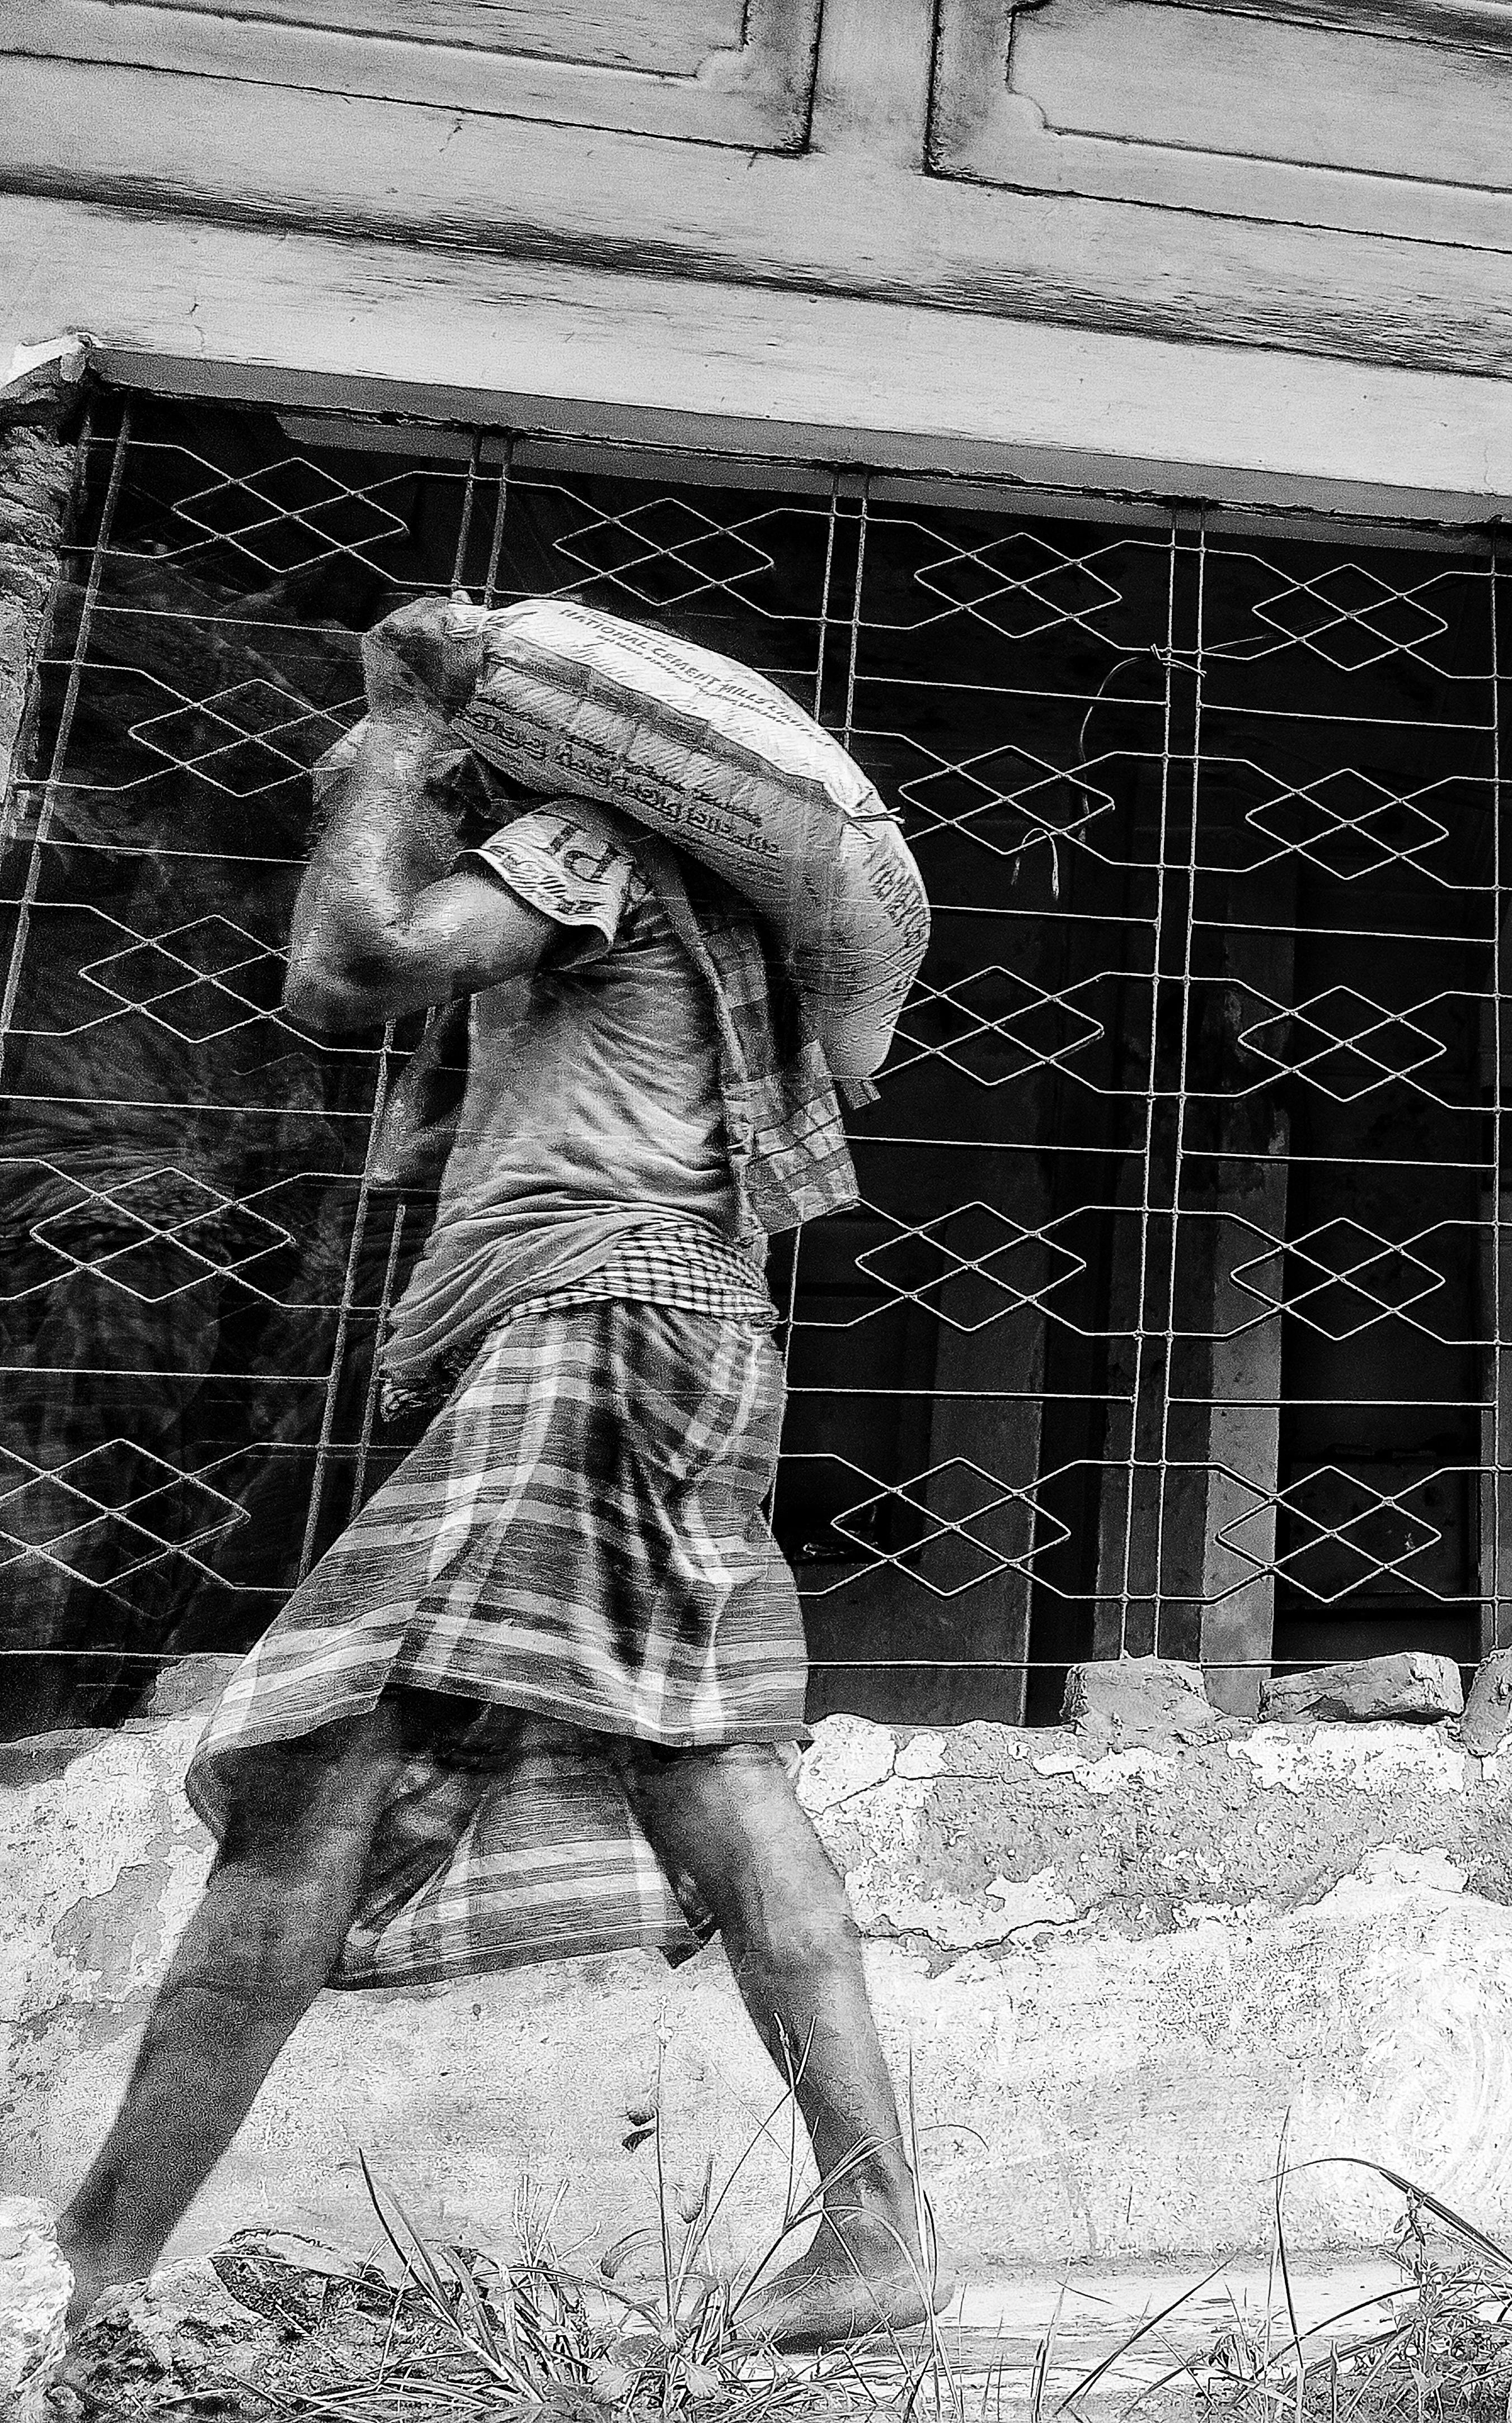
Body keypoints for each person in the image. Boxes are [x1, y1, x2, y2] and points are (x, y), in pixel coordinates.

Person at [53, 608, 941, 2348]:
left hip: (595, 1325)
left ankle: (87, 2259)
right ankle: (881, 2230)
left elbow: (348, 965)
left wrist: (393, 737)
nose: (341, 794)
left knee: (322, 1761)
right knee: (705, 1763)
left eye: (363, 776)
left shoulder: (578, 842)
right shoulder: (678, 901)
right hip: (665, 1329)